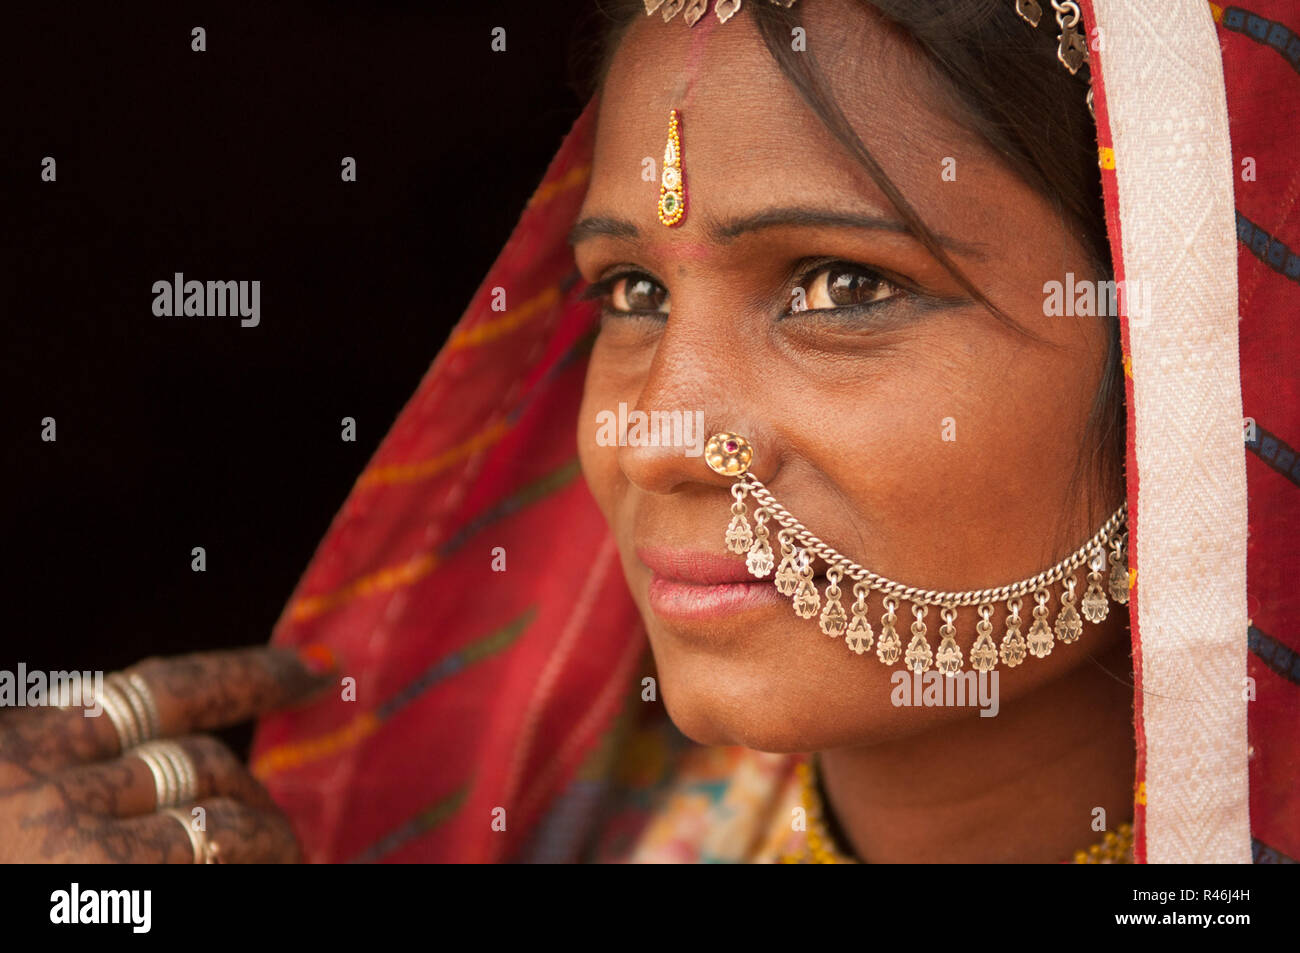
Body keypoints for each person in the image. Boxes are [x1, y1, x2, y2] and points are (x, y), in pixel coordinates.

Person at [3, 0, 1294, 864]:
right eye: (631, 294)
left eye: (841, 285)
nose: (653, 439)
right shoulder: (585, 826)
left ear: (1187, 355)